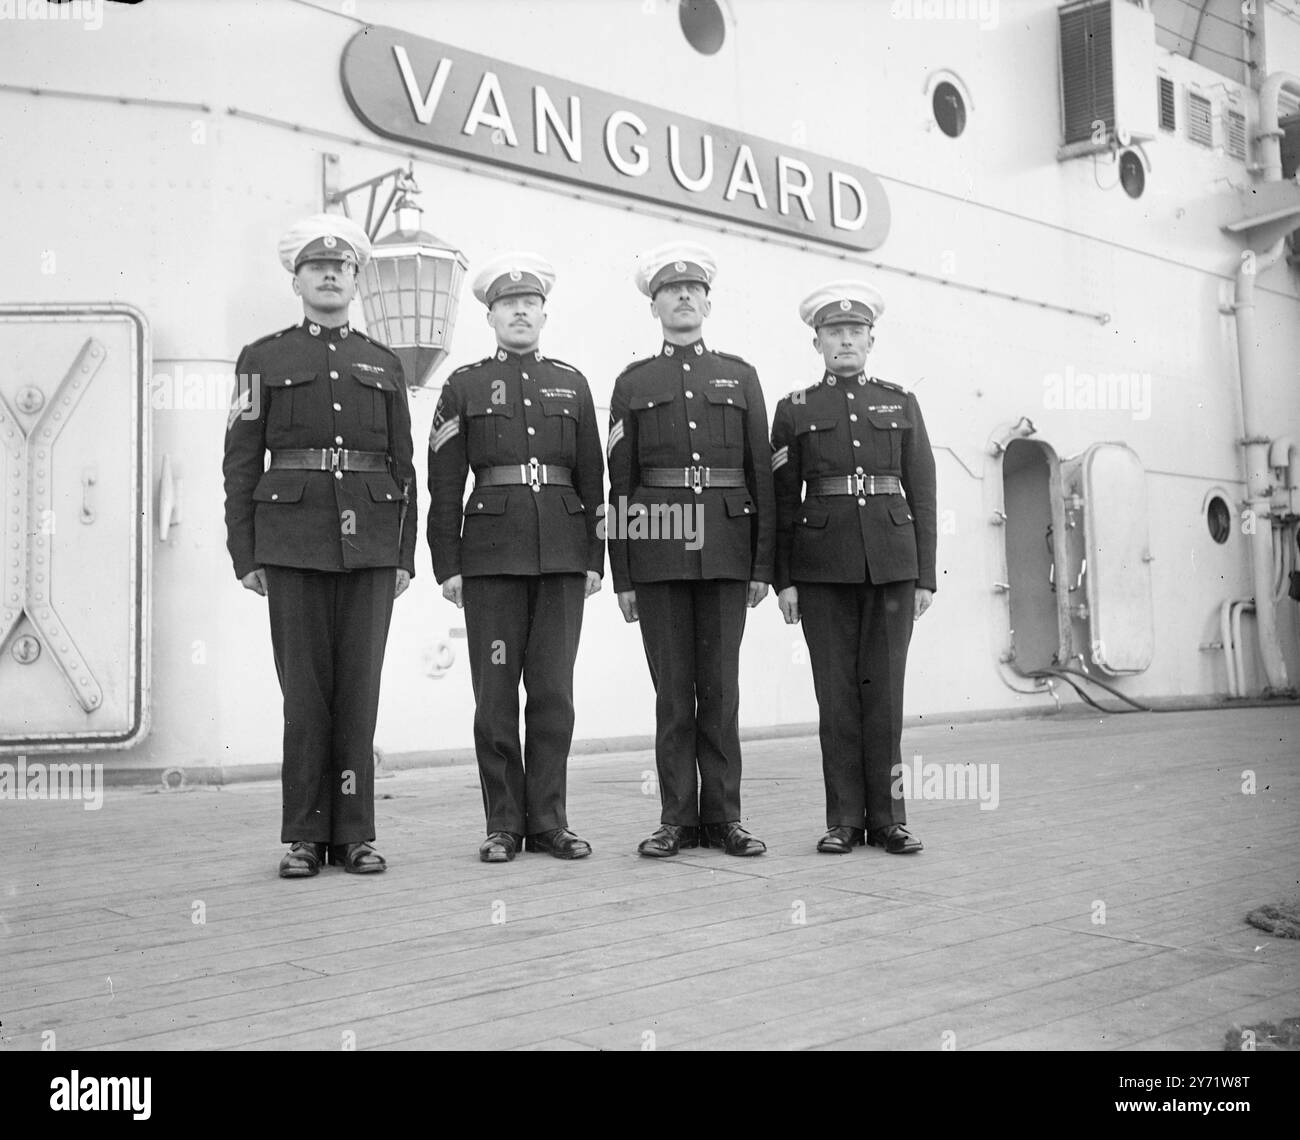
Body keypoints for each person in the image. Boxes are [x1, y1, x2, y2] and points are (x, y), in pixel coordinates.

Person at [223, 212, 416, 878]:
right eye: (317, 266)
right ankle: (306, 835)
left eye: (341, 267)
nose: (330, 274)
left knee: (358, 689)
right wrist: (244, 552)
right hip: (293, 538)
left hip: (369, 544)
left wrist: (403, 553)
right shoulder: (264, 359)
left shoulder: (383, 362)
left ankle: (355, 833)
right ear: (298, 278)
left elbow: (403, 465)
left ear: (357, 279)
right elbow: (242, 460)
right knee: (304, 693)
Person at [427, 252, 604, 864]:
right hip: (491, 558)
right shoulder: (464, 386)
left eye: (529, 303)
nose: (520, 311)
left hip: (560, 552)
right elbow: (445, 483)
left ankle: (550, 821)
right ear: (492, 315)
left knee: (554, 692)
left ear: (543, 314)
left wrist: (594, 558)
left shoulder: (572, 383)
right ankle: (504, 823)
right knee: (496, 694)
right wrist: (447, 562)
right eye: (508, 304)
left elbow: (593, 481)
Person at [607, 242, 774, 858]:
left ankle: (724, 818)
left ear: (707, 300)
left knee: (721, 690)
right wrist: (622, 573)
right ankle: (677, 817)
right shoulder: (633, 383)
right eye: (670, 290)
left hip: (728, 547)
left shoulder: (741, 376)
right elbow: (618, 480)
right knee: (673, 692)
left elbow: (761, 470)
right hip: (657, 550)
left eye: (693, 289)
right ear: (654, 305)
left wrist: (763, 564)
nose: (683, 297)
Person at [770, 280, 937, 855]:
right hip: (821, 569)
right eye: (833, 332)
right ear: (816, 342)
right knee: (836, 696)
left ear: (871, 339)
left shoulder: (900, 402)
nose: (845, 340)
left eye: (855, 332)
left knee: (885, 696)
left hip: (891, 565)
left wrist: (925, 575)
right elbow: (782, 499)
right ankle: (843, 819)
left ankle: (888, 820)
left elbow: (924, 492)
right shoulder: (794, 410)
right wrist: (784, 579)